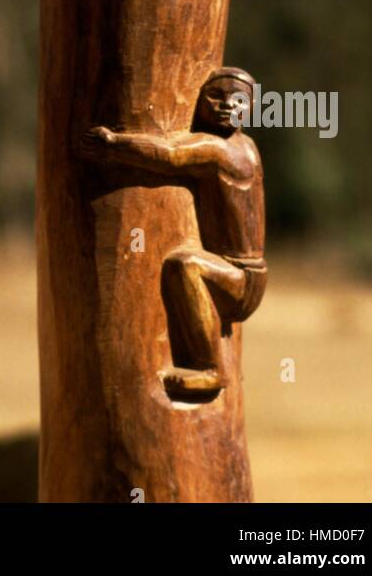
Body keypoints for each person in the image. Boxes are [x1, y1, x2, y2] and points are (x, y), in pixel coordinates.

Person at [82, 67, 266, 399]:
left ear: (252, 107)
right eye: (216, 97)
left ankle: (211, 368)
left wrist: (115, 143)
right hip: (244, 275)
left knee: (186, 266)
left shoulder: (222, 150)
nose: (227, 106)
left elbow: (171, 154)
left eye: (238, 100)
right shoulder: (246, 146)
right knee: (191, 265)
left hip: (238, 278)